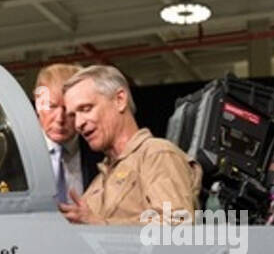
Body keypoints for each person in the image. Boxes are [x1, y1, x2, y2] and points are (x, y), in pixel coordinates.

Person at [59, 65, 201, 225]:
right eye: (73, 115)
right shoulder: (98, 184)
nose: (78, 123)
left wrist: (100, 224)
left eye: (86, 108)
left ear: (119, 100)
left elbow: (177, 223)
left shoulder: (157, 154)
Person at [34, 63, 100, 204]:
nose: (60, 119)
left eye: (68, 109)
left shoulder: (100, 154)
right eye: (51, 107)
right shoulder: (16, 158)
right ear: (37, 104)